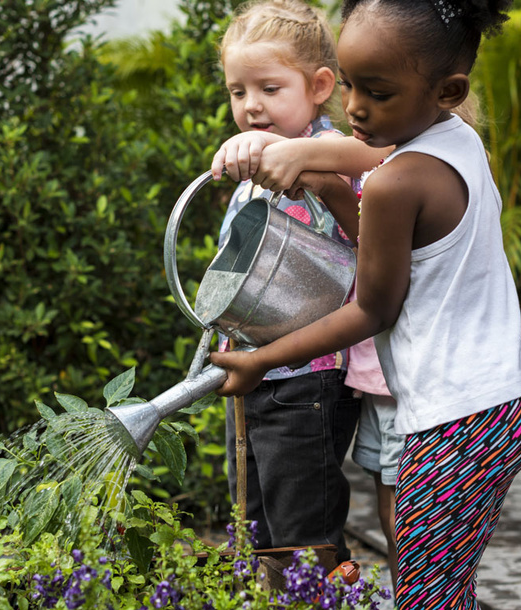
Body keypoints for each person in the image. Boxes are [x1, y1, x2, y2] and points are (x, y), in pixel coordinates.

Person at [209, 1, 521, 608]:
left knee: (427, 597)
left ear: (448, 91)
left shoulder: (395, 181)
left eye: (378, 92)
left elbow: (372, 309)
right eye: (349, 84)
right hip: (510, 398)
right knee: (445, 588)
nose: (356, 108)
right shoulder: (458, 140)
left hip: (456, 421)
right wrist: (316, 169)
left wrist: (263, 361)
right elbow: (377, 217)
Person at [214, 0, 360, 564]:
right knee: (250, 523)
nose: (251, 105)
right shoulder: (251, 175)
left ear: (319, 86)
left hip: (307, 381)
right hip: (253, 375)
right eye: (238, 91)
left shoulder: (334, 153)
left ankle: (321, 597)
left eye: (269, 88)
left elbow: (364, 162)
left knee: (304, 531)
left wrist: (285, 152)